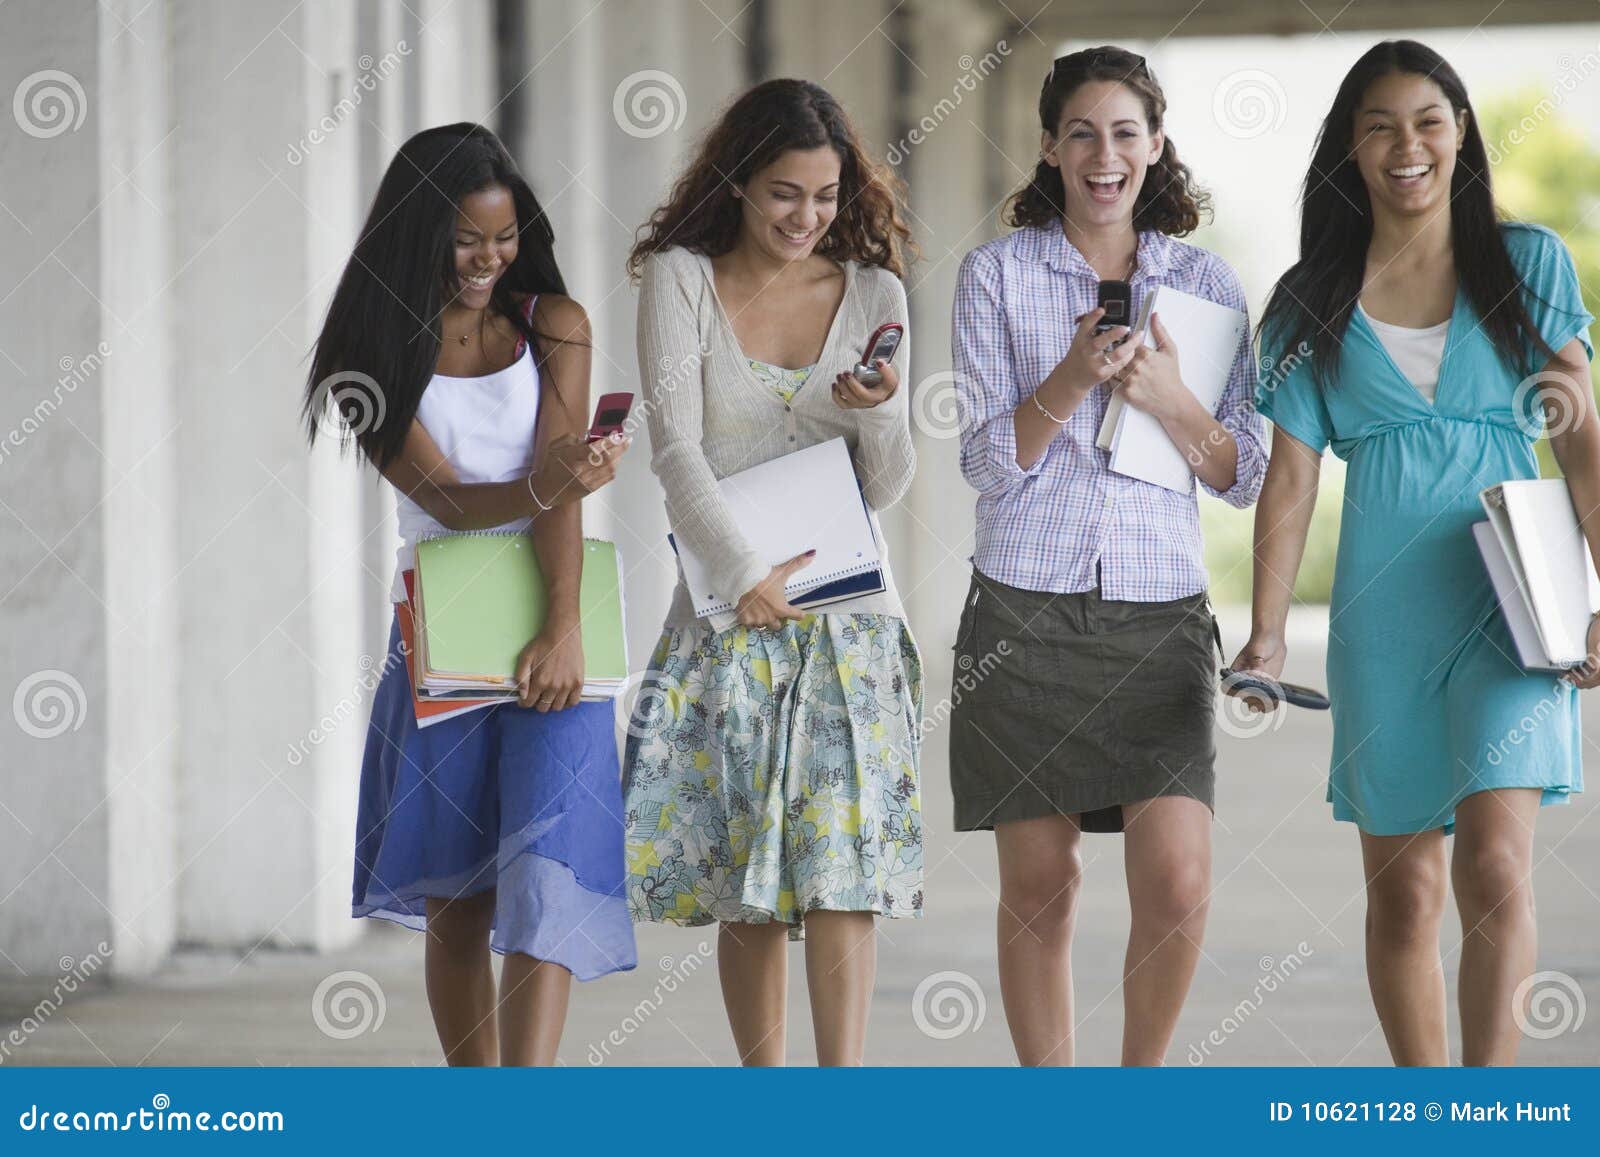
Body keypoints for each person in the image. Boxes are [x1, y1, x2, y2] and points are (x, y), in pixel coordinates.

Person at [1235, 40, 1594, 1066]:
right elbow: (1289, 481)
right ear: (1349, 148)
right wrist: (1265, 636)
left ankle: (1483, 1110)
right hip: (1382, 616)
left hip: (1513, 601)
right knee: (1405, 892)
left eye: (1430, 121)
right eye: (1381, 126)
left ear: (1461, 136)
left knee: (1495, 866)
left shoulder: (1525, 263)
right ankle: (1425, 1112)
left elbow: (1579, 438)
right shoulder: (1307, 300)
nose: (1408, 145)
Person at [949, 46, 1266, 1066]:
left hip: (1157, 616)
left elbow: (1242, 474)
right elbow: (985, 464)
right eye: (1080, 133)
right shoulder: (996, 274)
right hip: (1023, 616)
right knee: (1042, 888)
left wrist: (1170, 400)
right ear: (1049, 147)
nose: (1103, 155)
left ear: (1156, 145)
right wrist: (1070, 379)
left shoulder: (1205, 283)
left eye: (1125, 132)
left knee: (1177, 880)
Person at [303, 122, 633, 1066]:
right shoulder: (369, 350)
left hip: (555, 617)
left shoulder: (555, 324)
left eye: (504, 236)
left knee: (548, 871)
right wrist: (550, 482)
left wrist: (563, 624)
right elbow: (444, 497)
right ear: (419, 233)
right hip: (441, 631)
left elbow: (556, 489)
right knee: (458, 893)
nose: (489, 259)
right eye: (464, 240)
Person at [621, 79, 921, 1066]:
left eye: (826, 196)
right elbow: (675, 450)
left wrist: (880, 409)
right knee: (749, 879)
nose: (806, 217)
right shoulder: (680, 280)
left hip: (851, 622)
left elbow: (883, 486)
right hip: (730, 616)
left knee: (842, 868)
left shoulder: (875, 296)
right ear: (739, 182)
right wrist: (747, 574)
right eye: (785, 193)